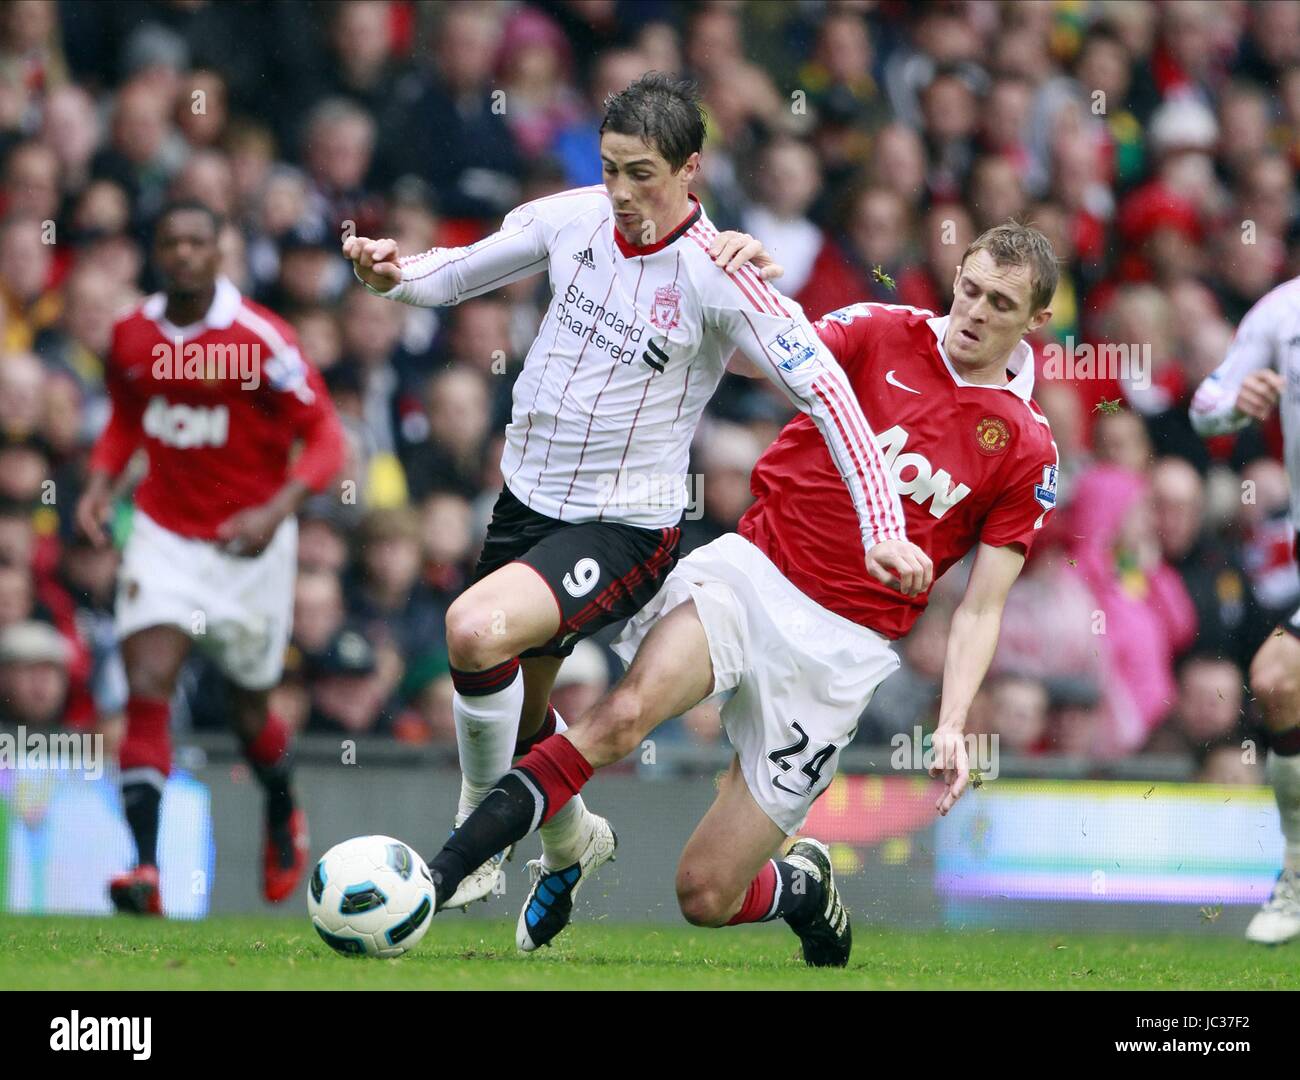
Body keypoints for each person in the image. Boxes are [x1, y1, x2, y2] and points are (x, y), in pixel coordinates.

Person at [344, 73, 929, 927]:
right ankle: (574, 843)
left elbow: (831, 393)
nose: (621, 191)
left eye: (642, 173)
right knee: (524, 727)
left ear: (690, 169)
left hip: (623, 526)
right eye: (612, 167)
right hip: (527, 504)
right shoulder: (571, 215)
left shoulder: (724, 274)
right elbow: (456, 275)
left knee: (472, 630)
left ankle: (473, 835)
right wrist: (392, 275)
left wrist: (884, 527)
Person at [424, 222, 1060, 964]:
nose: (975, 313)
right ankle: (438, 877)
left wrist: (951, 723)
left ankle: (800, 887)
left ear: (1037, 321)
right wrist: (741, 278)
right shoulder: (877, 327)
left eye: (1000, 304)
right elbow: (764, 358)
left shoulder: (1025, 444)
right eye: (970, 289)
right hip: (752, 573)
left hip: (842, 649)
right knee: (623, 716)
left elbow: (982, 606)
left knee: (706, 894)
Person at [75, 200, 347, 916]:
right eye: (172, 240)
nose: (186, 253)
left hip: (250, 546)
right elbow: (126, 420)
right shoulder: (131, 336)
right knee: (148, 677)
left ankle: (283, 807)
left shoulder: (261, 339)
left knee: (248, 710)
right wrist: (102, 486)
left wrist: (274, 511)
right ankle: (144, 870)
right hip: (164, 534)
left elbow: (326, 441)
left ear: (221, 251)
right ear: (156, 253)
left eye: (199, 240)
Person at [1189, 274, 1300, 944]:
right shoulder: (1281, 310)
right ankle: (1297, 873)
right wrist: (1238, 404)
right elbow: (1206, 403)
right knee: (1277, 680)